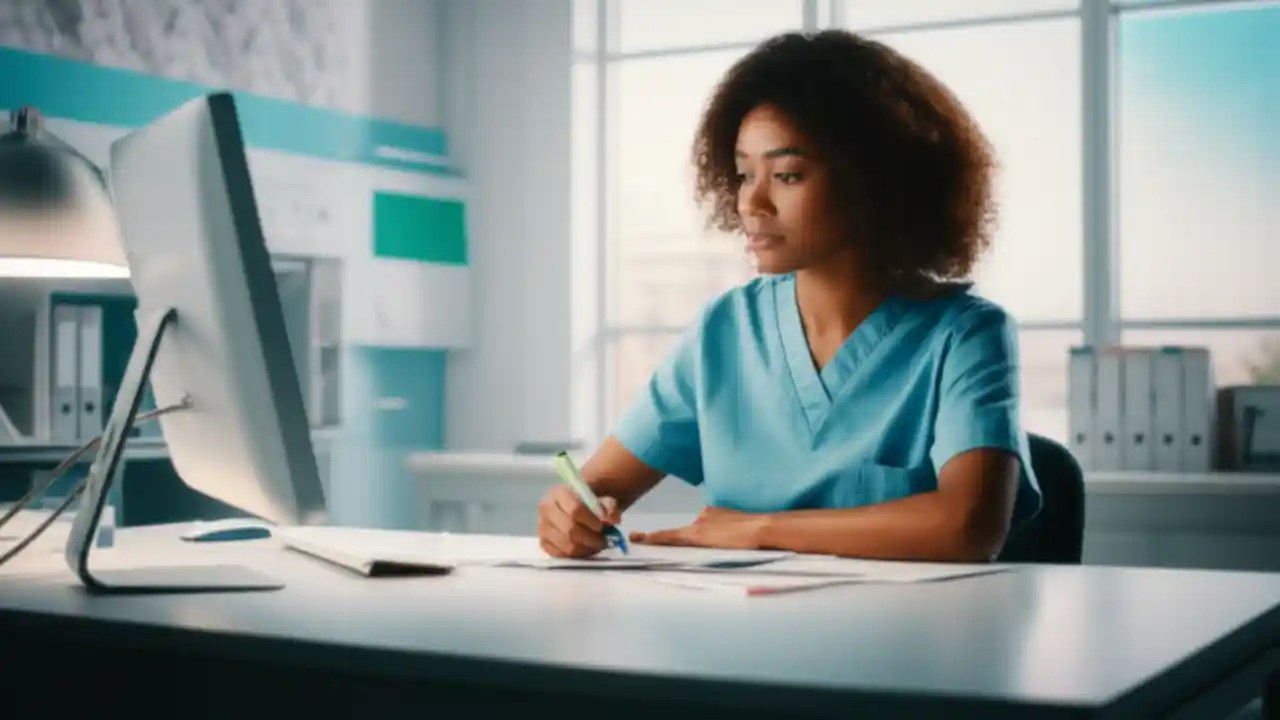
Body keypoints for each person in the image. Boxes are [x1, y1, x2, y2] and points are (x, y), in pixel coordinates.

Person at [538, 29, 1042, 562]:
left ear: (874, 180)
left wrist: (758, 528)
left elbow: (966, 528)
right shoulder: (724, 330)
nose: (751, 201)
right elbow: (594, 487)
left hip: (901, 639)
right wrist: (569, 516)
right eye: (742, 173)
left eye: (787, 174)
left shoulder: (965, 334)